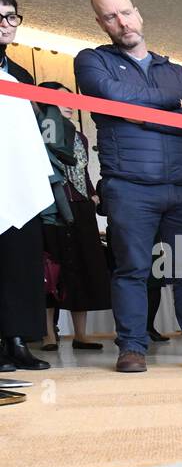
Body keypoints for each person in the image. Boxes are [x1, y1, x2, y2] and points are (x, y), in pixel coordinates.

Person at [74, 0, 182, 374]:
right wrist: (171, 107)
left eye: (125, 12)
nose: (121, 22)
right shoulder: (91, 61)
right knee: (132, 269)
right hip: (128, 185)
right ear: (100, 23)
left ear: (138, 13)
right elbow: (107, 93)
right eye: (110, 17)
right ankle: (133, 348)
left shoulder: (174, 70)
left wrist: (141, 111)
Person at [0, 0, 53, 374]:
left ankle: (16, 340)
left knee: (20, 263)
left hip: (17, 180)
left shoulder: (19, 75)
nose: (6, 24)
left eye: (12, 16)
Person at [36, 83, 111, 355]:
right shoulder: (45, 129)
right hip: (53, 206)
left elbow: (83, 170)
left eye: (70, 99)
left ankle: (81, 334)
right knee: (52, 269)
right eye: (60, 99)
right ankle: (48, 334)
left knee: (84, 266)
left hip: (82, 208)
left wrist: (91, 195)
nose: (68, 104)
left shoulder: (80, 136)